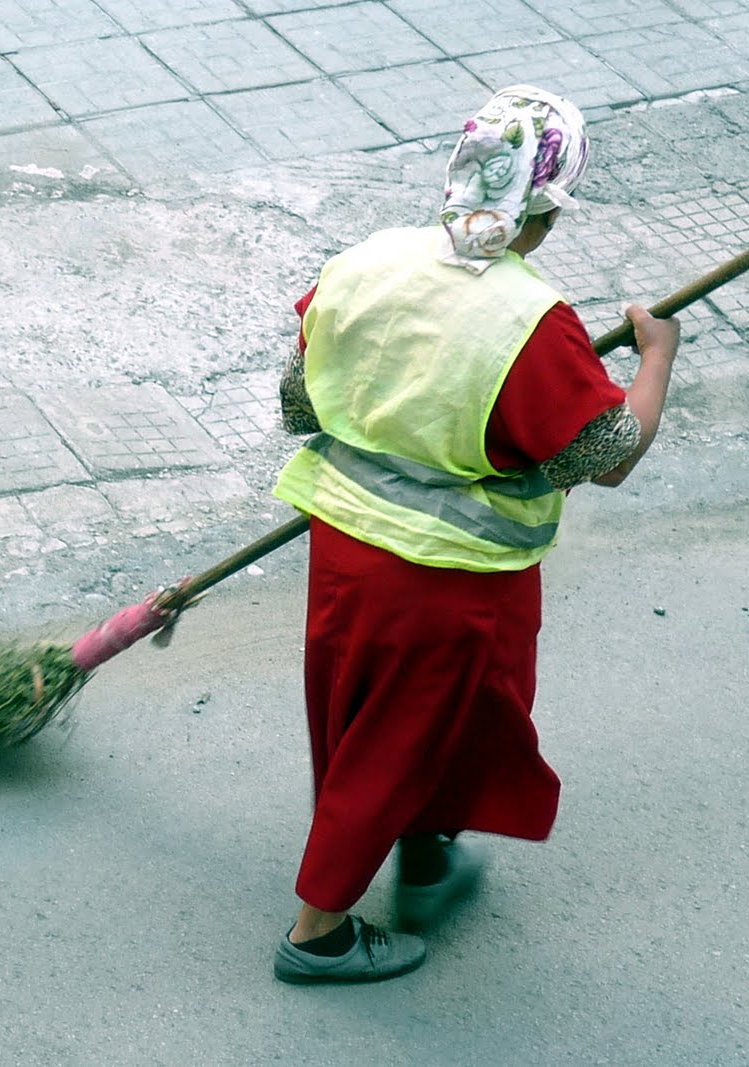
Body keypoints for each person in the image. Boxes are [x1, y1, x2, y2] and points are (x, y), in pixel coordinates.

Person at [270, 85, 681, 984]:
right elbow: (607, 455)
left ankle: (424, 855)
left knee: (389, 718)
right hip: (449, 578)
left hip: (344, 550)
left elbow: (302, 404)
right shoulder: (534, 322)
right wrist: (656, 359)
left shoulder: (365, 264)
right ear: (552, 204)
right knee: (400, 737)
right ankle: (319, 934)